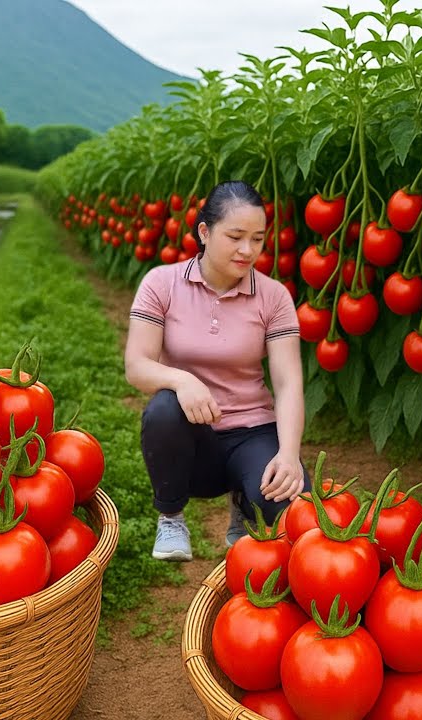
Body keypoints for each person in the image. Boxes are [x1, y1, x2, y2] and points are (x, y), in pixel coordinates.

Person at [124, 180, 307, 561]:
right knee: (164, 409)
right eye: (236, 236)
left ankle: (246, 501)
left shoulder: (273, 296)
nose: (247, 250)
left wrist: (288, 455)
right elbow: (137, 366)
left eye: (257, 239)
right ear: (204, 232)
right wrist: (182, 379)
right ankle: (171, 517)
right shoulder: (162, 283)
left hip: (253, 433)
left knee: (294, 513)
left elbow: (288, 384)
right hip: (192, 437)